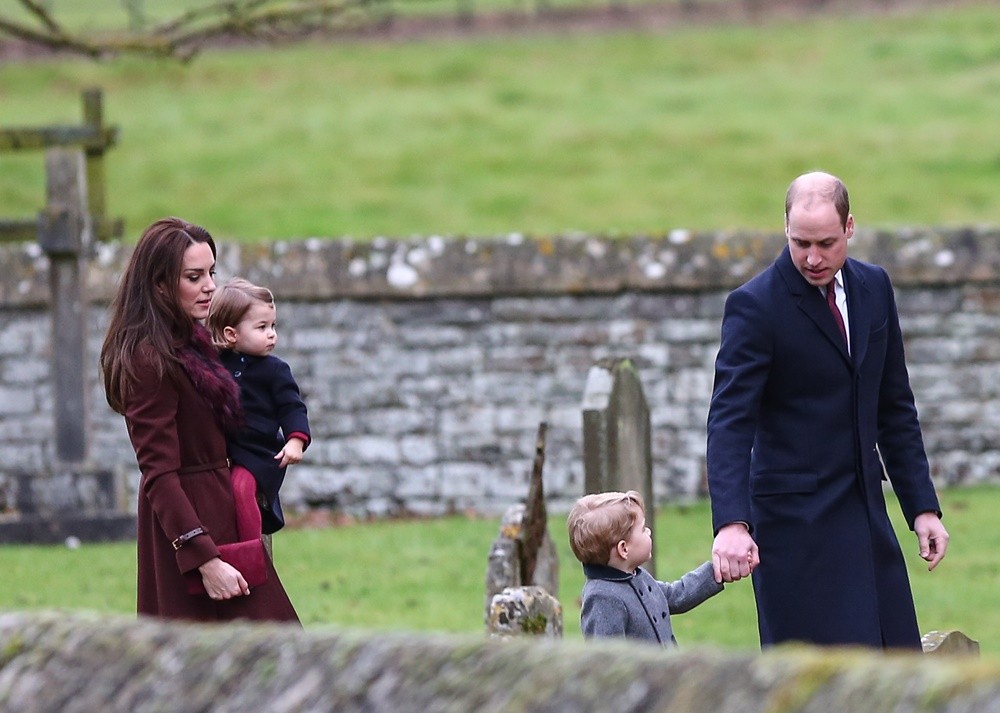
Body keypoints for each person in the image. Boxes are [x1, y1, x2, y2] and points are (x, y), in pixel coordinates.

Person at [706, 171, 949, 649]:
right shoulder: (754, 306)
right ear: (785, 228)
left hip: (866, 521)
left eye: (825, 243)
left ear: (850, 228)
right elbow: (730, 421)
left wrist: (921, 507)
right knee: (818, 686)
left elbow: (894, 406)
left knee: (894, 673)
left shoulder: (874, 288)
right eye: (800, 243)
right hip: (795, 534)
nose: (812, 257)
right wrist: (732, 524)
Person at [100, 217, 299, 623]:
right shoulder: (149, 359)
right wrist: (204, 558)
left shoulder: (199, 342)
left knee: (271, 653)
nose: (210, 285)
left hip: (225, 508)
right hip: (190, 528)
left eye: (212, 272)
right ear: (159, 284)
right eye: (194, 276)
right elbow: (158, 474)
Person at [206, 277, 311, 535]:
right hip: (225, 451)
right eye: (262, 327)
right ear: (231, 334)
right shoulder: (214, 366)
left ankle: (251, 553)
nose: (272, 333)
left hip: (260, 453)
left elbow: (292, 407)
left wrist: (295, 440)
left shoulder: (275, 370)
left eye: (273, 325)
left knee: (242, 489)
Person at [567, 490, 723, 647]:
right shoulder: (602, 598)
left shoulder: (634, 575)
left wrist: (717, 571)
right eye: (642, 529)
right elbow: (608, 660)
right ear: (624, 549)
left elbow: (673, 596)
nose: (648, 531)